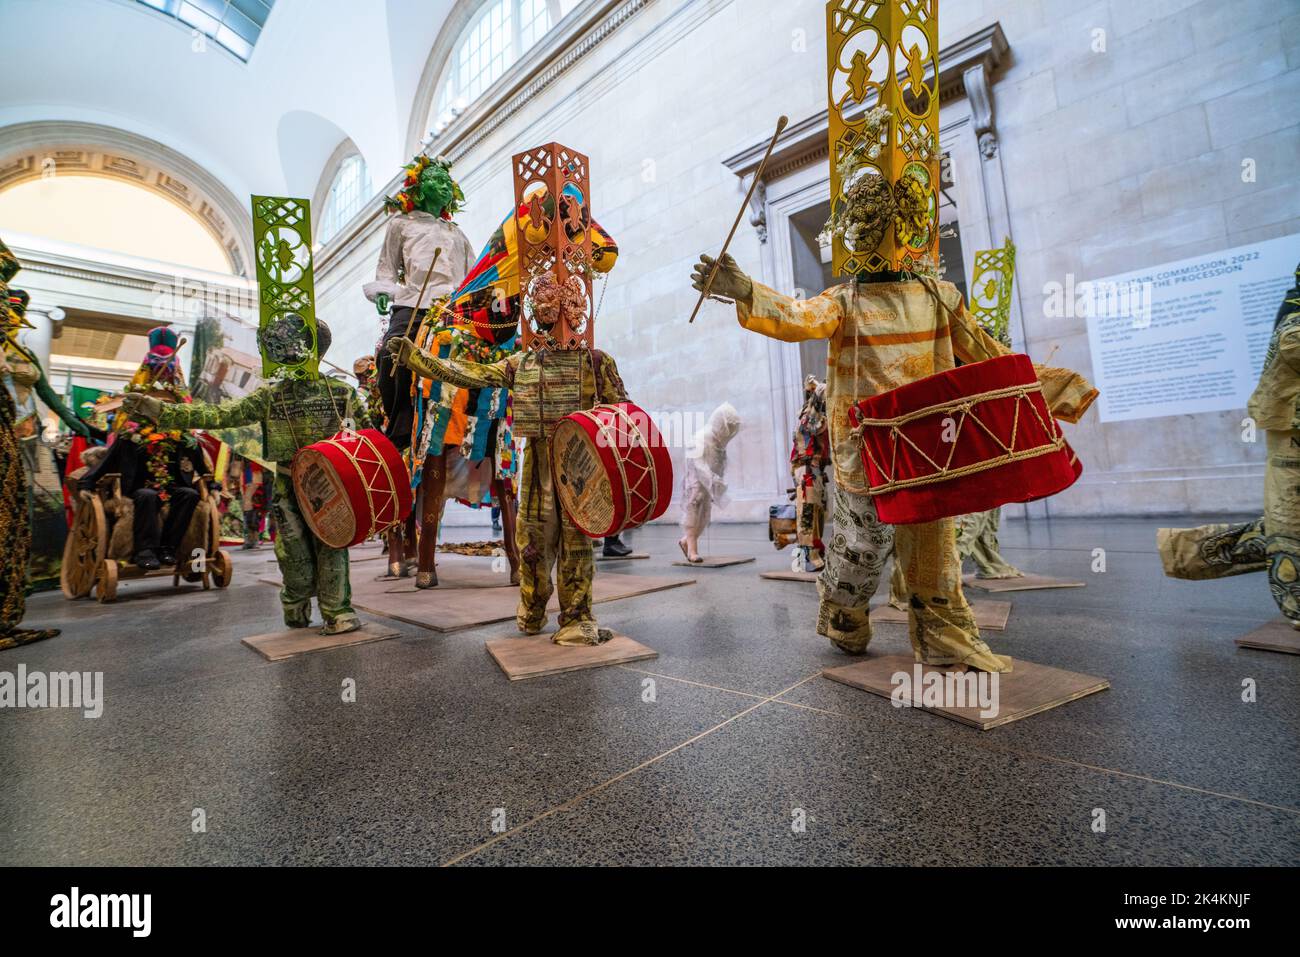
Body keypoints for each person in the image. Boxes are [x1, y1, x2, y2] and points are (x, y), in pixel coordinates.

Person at [125, 321, 370, 636]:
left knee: (332, 547)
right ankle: (296, 608)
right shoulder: (270, 396)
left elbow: (366, 437)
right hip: (289, 485)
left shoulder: (342, 393)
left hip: (331, 486)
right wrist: (160, 411)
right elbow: (218, 415)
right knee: (293, 556)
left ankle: (337, 610)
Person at [1158, 265, 1300, 624]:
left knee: (1286, 526)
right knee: (1288, 526)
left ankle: (1185, 552)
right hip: (1291, 425)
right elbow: (1293, 343)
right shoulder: (1294, 313)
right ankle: (1187, 553)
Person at [364, 154, 475, 450]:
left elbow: (472, 273)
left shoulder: (457, 234)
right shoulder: (401, 223)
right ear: (420, 188)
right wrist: (385, 291)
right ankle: (400, 420)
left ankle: (470, 423)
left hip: (452, 306)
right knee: (392, 353)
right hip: (414, 300)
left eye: (446, 181)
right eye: (435, 180)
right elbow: (387, 265)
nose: (444, 185)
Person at [78, 327, 208, 570]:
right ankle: (145, 550)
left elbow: (197, 458)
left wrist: (212, 483)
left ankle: (168, 547)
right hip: (140, 488)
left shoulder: (180, 436)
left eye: (167, 404)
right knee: (148, 497)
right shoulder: (131, 435)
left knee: (189, 494)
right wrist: (87, 483)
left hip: (172, 485)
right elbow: (108, 461)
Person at [0, 239, 59, 650]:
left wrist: (78, 423)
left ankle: (11, 605)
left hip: (23, 432)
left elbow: (50, 397)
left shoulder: (20, 353)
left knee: (23, 513)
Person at [678, 402, 742, 563]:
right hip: (696, 482)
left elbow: (720, 462)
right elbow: (697, 462)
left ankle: (686, 540)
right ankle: (692, 549)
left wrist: (716, 482)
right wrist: (711, 479)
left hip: (708, 483)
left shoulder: (719, 442)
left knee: (705, 515)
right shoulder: (700, 437)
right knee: (694, 510)